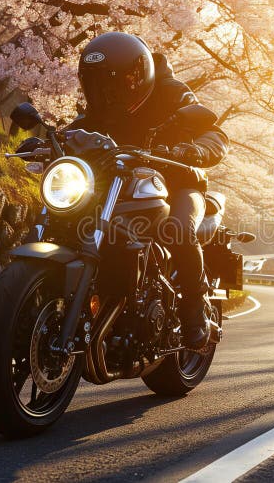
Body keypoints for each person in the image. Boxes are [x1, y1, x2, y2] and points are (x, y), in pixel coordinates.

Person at [69, 31, 229, 350]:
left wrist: (193, 151)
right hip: (120, 188)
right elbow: (78, 129)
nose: (106, 92)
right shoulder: (98, 111)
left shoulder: (171, 93)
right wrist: (49, 141)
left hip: (177, 185)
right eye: (96, 83)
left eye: (114, 82)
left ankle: (194, 314)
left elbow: (214, 133)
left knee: (178, 230)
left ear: (137, 75)